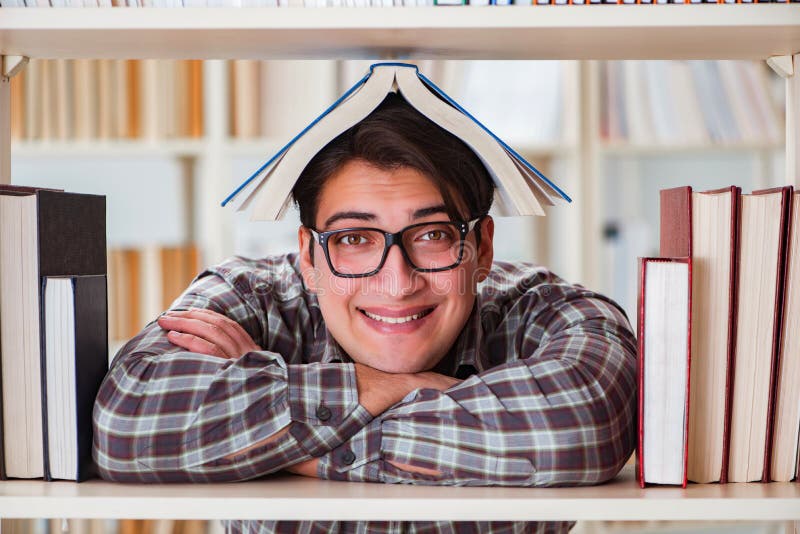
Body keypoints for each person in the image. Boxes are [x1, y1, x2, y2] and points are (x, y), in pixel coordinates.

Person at [93, 93, 637, 534]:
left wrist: (282, 441)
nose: (397, 283)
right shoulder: (251, 295)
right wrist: (382, 386)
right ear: (308, 255)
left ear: (483, 248)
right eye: (354, 238)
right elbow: (127, 424)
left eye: (432, 235)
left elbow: (584, 426)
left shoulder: (545, 310)